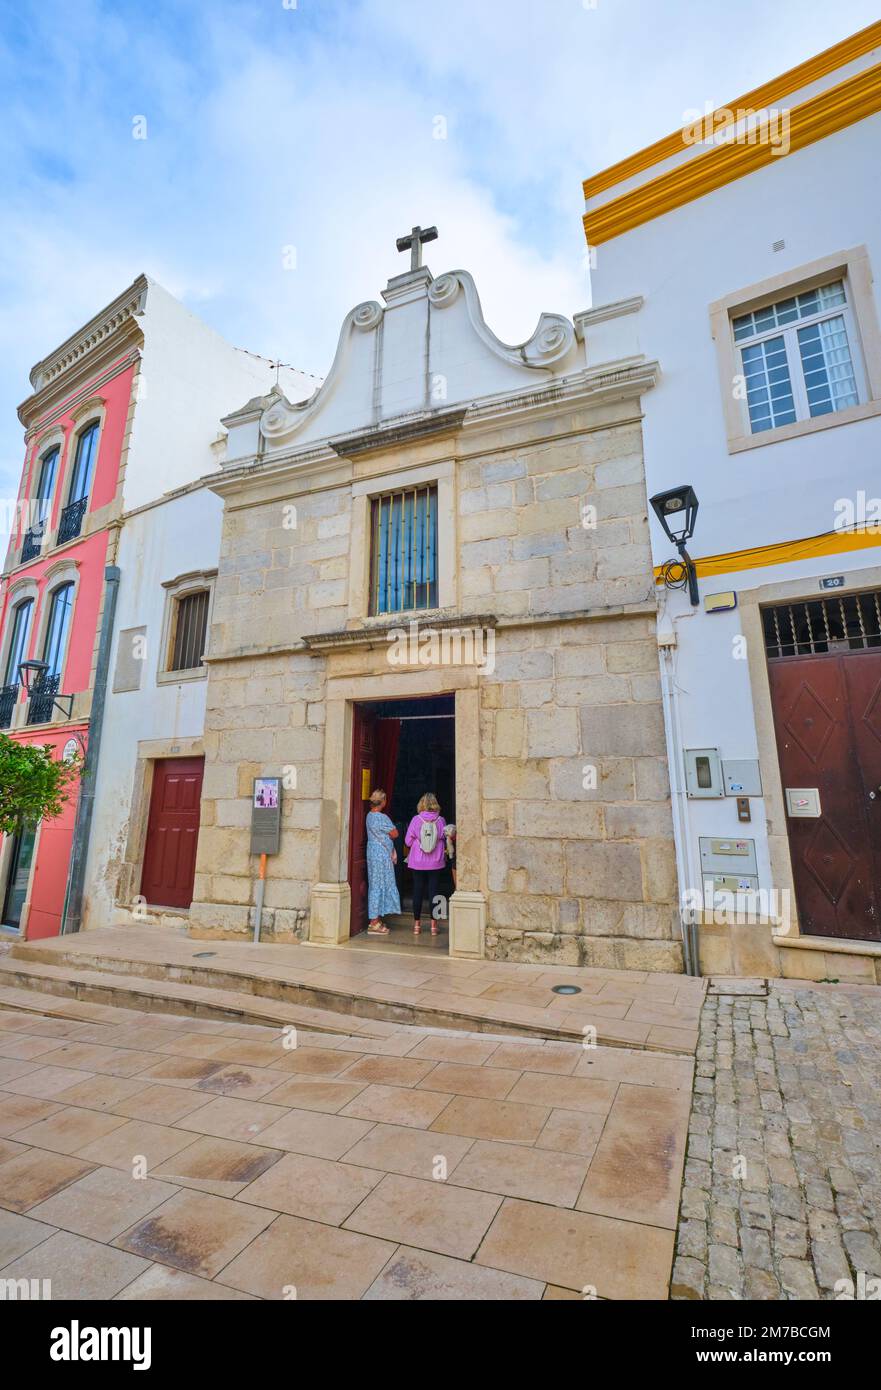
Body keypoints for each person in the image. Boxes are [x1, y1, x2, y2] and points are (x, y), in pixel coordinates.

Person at [404, 792, 446, 935]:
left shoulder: (416, 819)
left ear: (421, 804)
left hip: (417, 861)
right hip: (436, 862)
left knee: (417, 891)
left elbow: (407, 841)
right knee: (434, 892)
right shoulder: (441, 820)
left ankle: (417, 925)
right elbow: (444, 838)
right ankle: (434, 927)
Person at [365, 789, 400, 936]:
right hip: (382, 855)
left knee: (375, 885)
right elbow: (395, 833)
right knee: (379, 885)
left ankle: (376, 919)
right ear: (383, 802)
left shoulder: (369, 816)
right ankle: (374, 923)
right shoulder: (382, 817)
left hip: (372, 853)